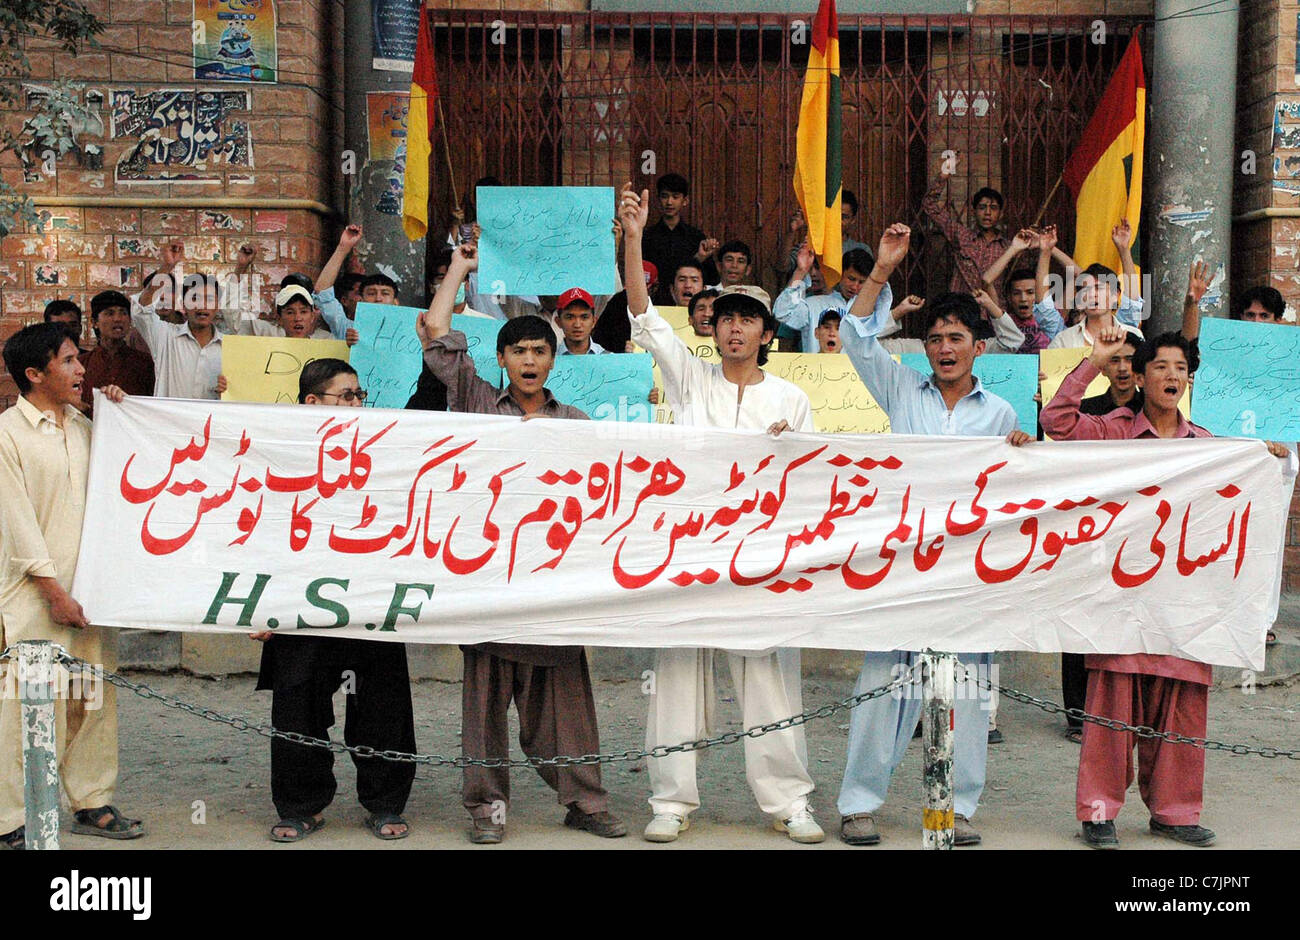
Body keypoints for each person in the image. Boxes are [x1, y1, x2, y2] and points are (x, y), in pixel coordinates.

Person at [619, 182, 824, 845]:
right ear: (712, 325)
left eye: (747, 319)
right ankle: (671, 801)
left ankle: (789, 802)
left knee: (767, 680)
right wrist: (632, 235)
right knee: (677, 676)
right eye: (725, 316)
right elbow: (643, 311)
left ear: (767, 333)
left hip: (762, 559)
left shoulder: (791, 399)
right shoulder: (690, 379)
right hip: (690, 550)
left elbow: (811, 481)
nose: (734, 326)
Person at [1039, 326, 1293, 848]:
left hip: (1185, 601)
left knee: (1183, 707)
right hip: (1119, 597)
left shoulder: (1209, 448)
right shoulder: (1111, 431)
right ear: (1141, 374)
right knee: (1111, 705)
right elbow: (1056, 421)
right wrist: (1094, 360)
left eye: (1180, 368)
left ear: (1189, 381)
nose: (1171, 376)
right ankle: (1099, 810)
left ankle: (1176, 812)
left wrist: (1267, 461)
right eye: (1160, 366)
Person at [417, 243, 626, 845]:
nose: (529, 360)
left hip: (553, 585)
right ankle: (486, 808)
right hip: (485, 580)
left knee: (568, 705)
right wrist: (460, 265)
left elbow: (600, 501)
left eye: (539, 351)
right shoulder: (477, 401)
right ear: (502, 358)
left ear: (554, 359)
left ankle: (585, 801)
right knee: (483, 710)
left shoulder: (580, 425)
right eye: (519, 351)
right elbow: (436, 333)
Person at [835, 222, 1023, 847]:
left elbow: (1012, 487)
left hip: (970, 570)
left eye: (956, 338)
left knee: (968, 691)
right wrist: (884, 269)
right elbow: (858, 339)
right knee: (883, 685)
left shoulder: (1001, 414)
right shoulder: (900, 390)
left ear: (978, 348)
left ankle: (956, 809)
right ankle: (860, 804)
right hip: (903, 564)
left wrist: (1024, 451)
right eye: (936, 338)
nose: (944, 347)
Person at [249, 358, 417, 843]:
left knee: (381, 704)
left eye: (359, 395)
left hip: (370, 598)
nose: (357, 403)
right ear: (311, 402)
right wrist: (262, 603)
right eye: (345, 395)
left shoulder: (380, 451)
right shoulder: (282, 457)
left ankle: (385, 802)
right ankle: (301, 805)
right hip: (299, 601)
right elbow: (256, 528)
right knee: (298, 704)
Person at [0, 323, 138, 850]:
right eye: (68, 362)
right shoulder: (8, 435)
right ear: (35, 375)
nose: (82, 370)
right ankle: (13, 817)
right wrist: (52, 590)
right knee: (28, 707)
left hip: (92, 592)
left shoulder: (84, 427)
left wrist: (123, 416)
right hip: (36, 599)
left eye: (80, 359)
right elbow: (17, 524)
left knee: (93, 698)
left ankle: (91, 801)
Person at [131, 243, 225, 400]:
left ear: (217, 306)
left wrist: (230, 389)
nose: (202, 305)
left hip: (211, 423)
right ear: (184, 304)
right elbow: (142, 309)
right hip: (170, 424)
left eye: (209, 299)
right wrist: (167, 267)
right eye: (194, 298)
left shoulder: (229, 348)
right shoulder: (165, 337)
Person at [921, 152, 1011, 294]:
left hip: (992, 313)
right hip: (962, 310)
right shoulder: (962, 235)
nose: (987, 213)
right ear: (973, 211)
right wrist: (944, 174)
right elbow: (930, 206)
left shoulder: (1007, 247)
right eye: (982, 207)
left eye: (993, 208)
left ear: (1001, 214)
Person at [775, 245, 893, 354]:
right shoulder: (814, 305)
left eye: (861, 282)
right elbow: (783, 312)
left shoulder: (870, 314)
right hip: (816, 374)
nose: (855, 286)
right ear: (840, 274)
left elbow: (884, 299)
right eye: (851, 279)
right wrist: (800, 271)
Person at [79, 290, 155, 417]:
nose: (118, 319)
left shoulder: (145, 363)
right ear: (94, 322)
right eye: (109, 313)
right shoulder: (82, 364)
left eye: (123, 313)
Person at [641, 172, 719, 291]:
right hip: (655, 301)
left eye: (675, 197)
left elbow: (713, 279)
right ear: (658, 199)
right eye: (664, 196)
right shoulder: (647, 236)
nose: (669, 202)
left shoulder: (696, 237)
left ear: (685, 200)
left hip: (687, 303)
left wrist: (699, 258)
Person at [554, 288, 606, 355]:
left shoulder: (609, 358)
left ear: (594, 322)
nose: (577, 325)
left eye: (584, 317)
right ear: (558, 322)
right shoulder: (549, 359)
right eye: (569, 317)